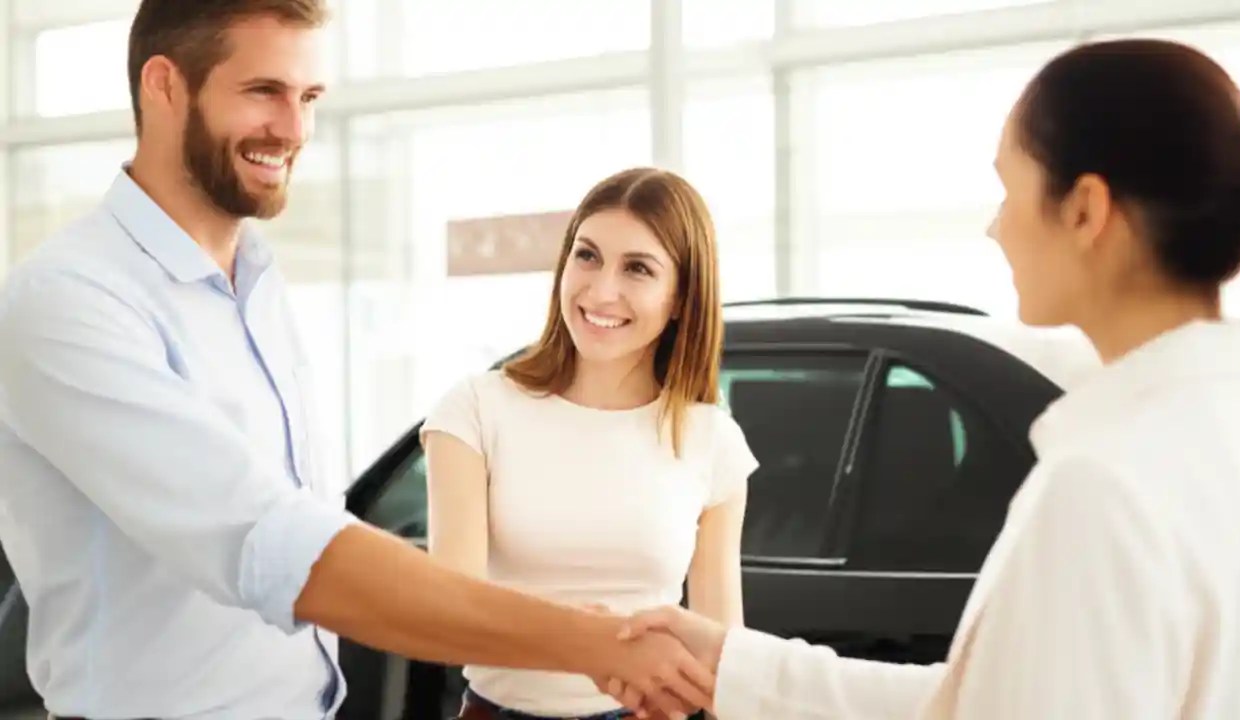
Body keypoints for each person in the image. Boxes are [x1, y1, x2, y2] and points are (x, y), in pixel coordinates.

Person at [0, 2, 713, 719]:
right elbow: (272, 543)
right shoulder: (67, 300)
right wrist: (590, 642)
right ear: (163, 85)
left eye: (309, 98)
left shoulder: (257, 287)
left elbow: (313, 520)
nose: (294, 129)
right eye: (263, 91)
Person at [608, 38, 1240, 719]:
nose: (995, 227)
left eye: (1008, 191)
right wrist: (733, 665)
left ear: (1084, 209)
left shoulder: (1101, 486)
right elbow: (984, 699)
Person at [420, 167, 758, 719]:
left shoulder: (712, 440)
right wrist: (593, 643)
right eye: (588, 256)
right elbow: (452, 618)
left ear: (680, 297)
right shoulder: (476, 410)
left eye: (638, 268)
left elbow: (722, 656)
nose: (601, 291)